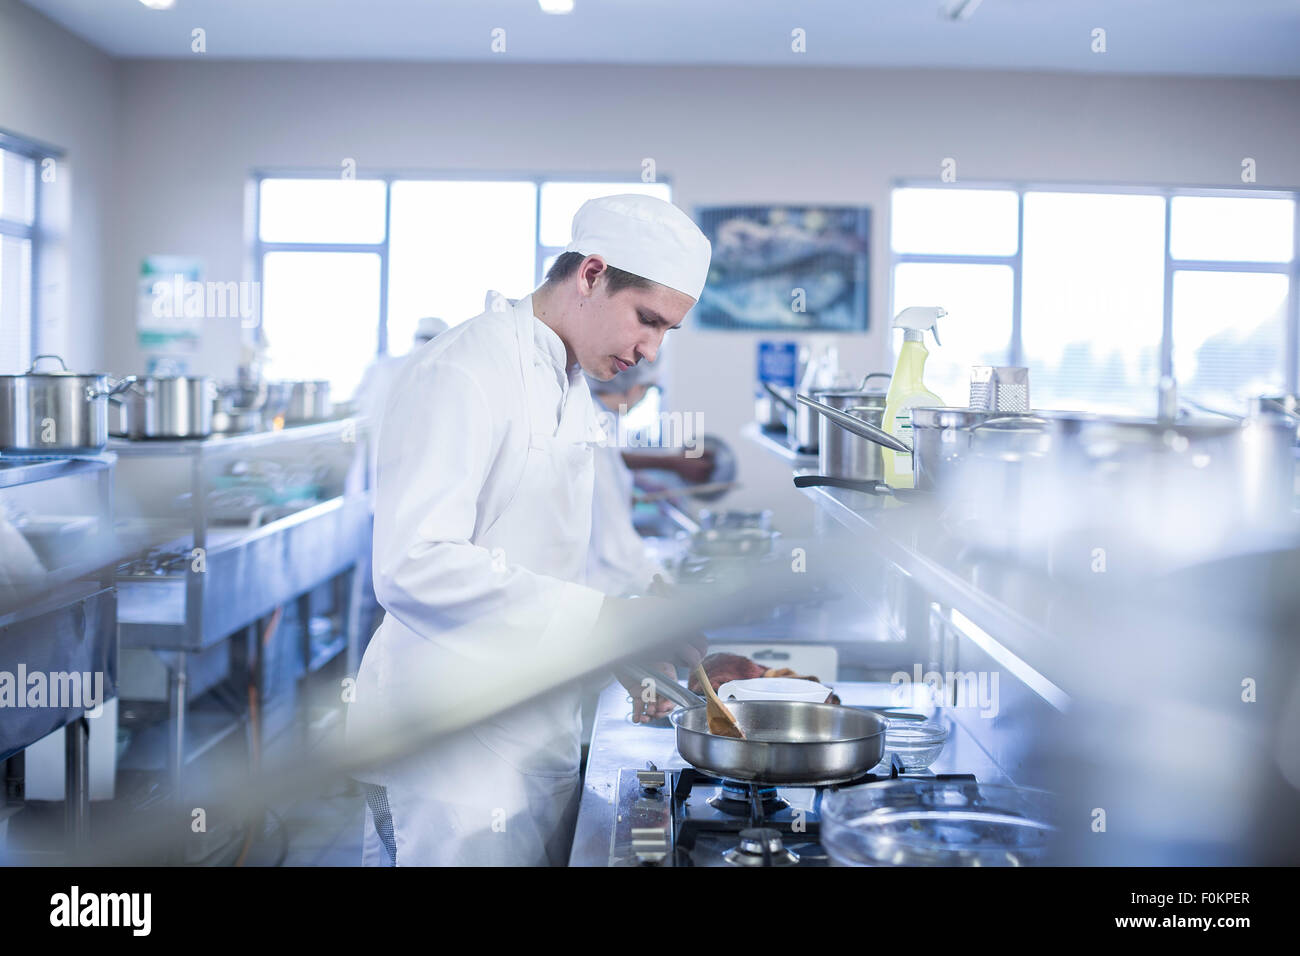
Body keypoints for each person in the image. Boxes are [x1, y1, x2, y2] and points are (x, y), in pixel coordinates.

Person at [348, 194, 712, 866]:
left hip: (530, 724)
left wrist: (634, 640)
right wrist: (604, 618)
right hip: (446, 747)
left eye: (667, 333)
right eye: (647, 321)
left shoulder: (571, 380)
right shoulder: (464, 368)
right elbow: (412, 564)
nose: (649, 348)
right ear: (592, 274)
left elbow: (556, 556)